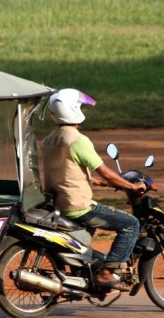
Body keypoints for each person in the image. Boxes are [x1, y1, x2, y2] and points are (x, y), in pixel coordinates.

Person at [41, 89, 146, 291]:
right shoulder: (78, 140)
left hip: (57, 204)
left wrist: (97, 182)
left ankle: (85, 272)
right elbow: (106, 172)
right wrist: (133, 186)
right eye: (79, 106)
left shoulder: (49, 140)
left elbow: (66, 171)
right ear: (73, 109)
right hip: (78, 206)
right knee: (131, 224)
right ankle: (107, 274)